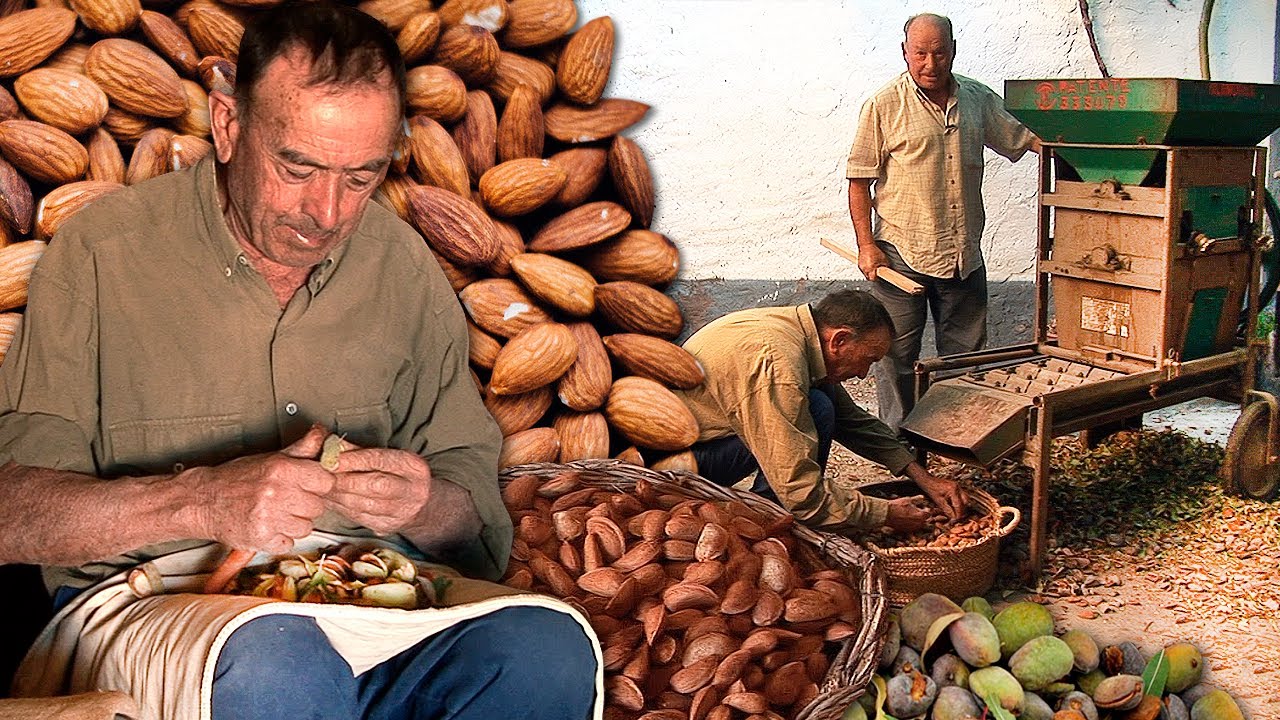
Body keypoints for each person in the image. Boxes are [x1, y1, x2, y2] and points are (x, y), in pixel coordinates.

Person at [0, 3, 595, 718]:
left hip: (366, 589)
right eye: (298, 167)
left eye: (361, 177)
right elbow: (13, 514)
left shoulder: (402, 264)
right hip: (153, 599)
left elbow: (471, 524)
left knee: (544, 647)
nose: (327, 213)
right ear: (228, 125)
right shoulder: (103, 253)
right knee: (281, 661)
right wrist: (198, 500)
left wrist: (422, 505)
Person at [846, 12, 1039, 431]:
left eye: (939, 53)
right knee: (896, 357)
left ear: (953, 51)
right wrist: (866, 246)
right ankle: (900, 444)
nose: (930, 64)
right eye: (920, 54)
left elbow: (1028, 138)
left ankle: (955, 437)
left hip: (963, 255)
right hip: (900, 255)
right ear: (905, 52)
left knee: (965, 358)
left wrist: (1088, 150)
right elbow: (859, 182)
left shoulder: (977, 99)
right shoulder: (884, 105)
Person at [677, 289, 968, 534]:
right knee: (817, 408)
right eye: (868, 360)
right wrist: (883, 514)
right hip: (671, 466)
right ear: (839, 340)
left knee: (822, 401)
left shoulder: (799, 333)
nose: (862, 374)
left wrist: (923, 478)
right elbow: (798, 490)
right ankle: (768, 518)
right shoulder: (779, 364)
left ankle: (768, 510)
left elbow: (853, 421)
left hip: (696, 442)